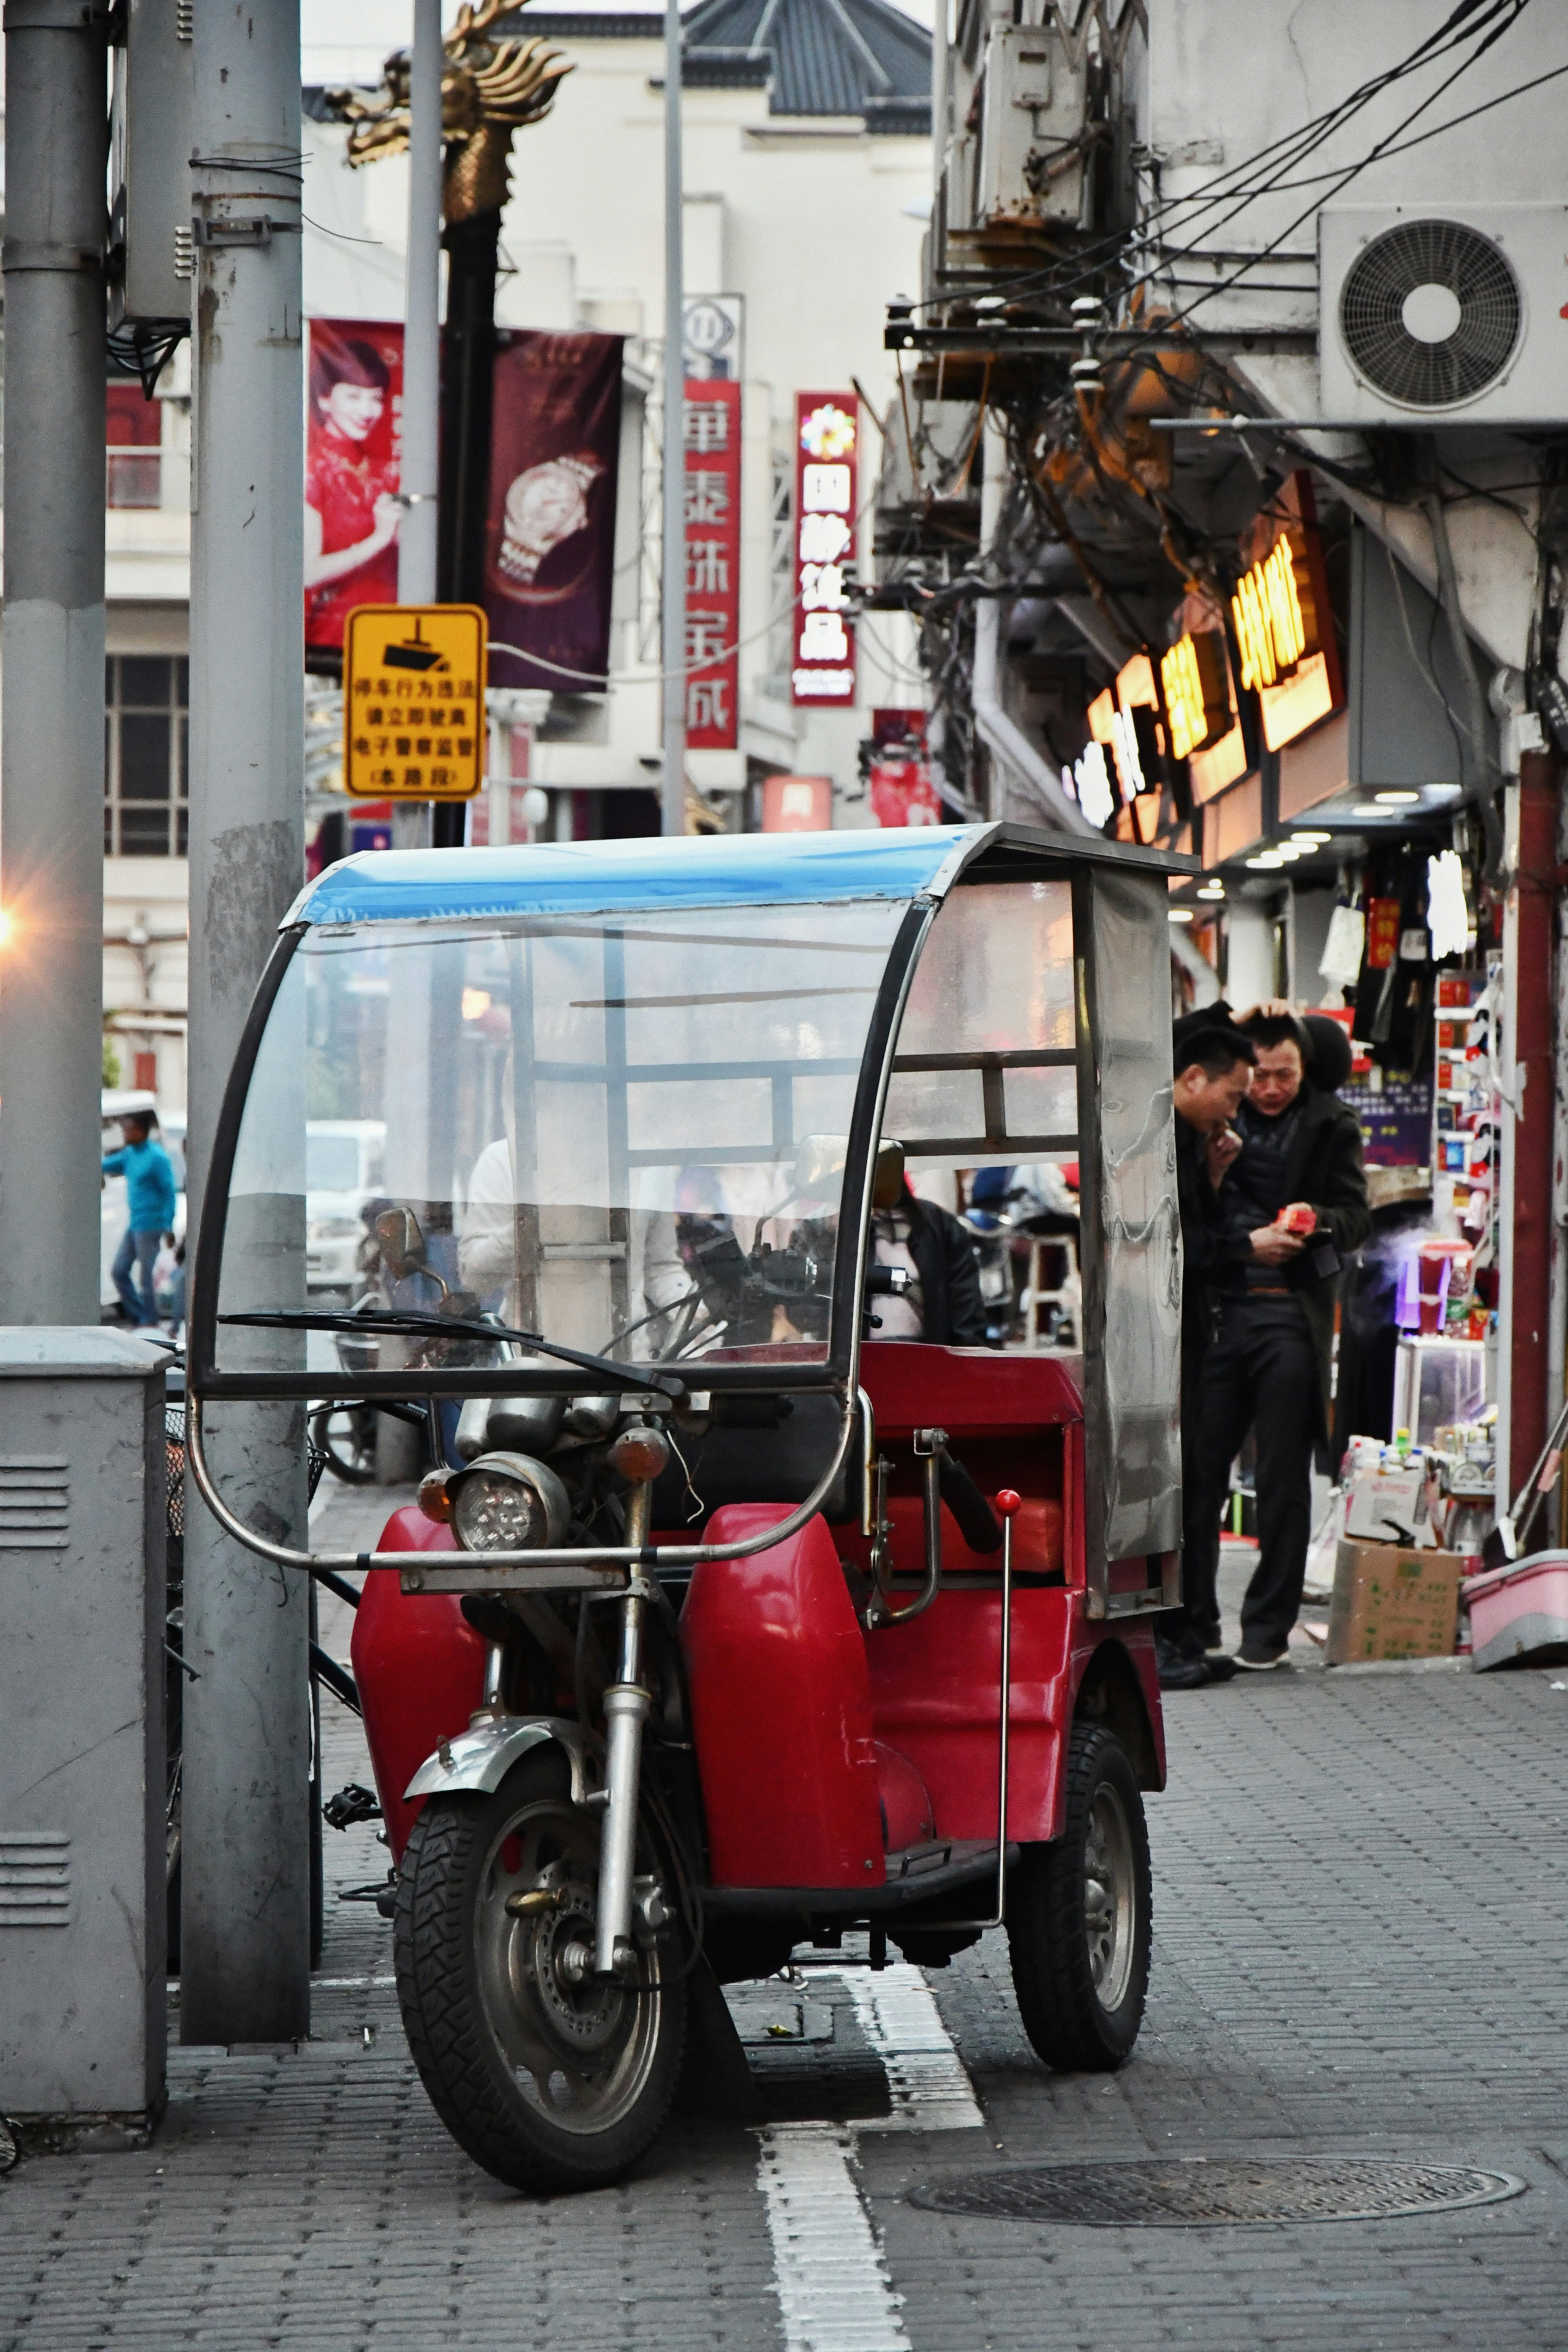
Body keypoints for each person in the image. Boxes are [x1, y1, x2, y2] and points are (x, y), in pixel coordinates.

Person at [1189, 1007, 1371, 1671]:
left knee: (1283, 1477)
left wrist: (1312, 1219)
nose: (1268, 1089)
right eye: (1258, 1076)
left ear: (1306, 1067)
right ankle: (1195, 1625)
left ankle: (1267, 1632)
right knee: (1200, 1474)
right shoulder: (1213, 1112)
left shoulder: (1331, 1123)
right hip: (1219, 1311)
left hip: (1290, 1315)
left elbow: (1356, 1218)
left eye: (1283, 1075)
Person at [1159, 1018, 1259, 1690]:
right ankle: (1170, 1633)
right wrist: (1251, 1246)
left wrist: (1217, 1177)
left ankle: (1190, 1629)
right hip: (1156, 1342)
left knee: (1198, 1484)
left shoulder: (1194, 1145)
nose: (1235, 1108)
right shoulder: (1156, 1142)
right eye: (1233, 1093)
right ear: (1193, 1078)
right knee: (1176, 1485)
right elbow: (1185, 1248)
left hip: (1190, 1335)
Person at [304, 338, 401, 646]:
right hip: (335, 639)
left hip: (395, 629)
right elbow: (307, 572)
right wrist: (380, 540)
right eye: (354, 397)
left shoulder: (386, 471)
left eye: (376, 399)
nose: (368, 411)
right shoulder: (312, 472)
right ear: (324, 400)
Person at [868, 1142, 988, 1345]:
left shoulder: (940, 1228)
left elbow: (968, 1326)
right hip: (856, 1371)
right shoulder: (833, 1228)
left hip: (928, 1367)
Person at [103, 1111, 177, 1330]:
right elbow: (105, 1164)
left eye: (129, 1129)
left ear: (141, 1130)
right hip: (135, 1223)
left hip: (151, 1224)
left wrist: (169, 1224)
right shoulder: (129, 1155)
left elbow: (168, 1192)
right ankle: (138, 1315)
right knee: (119, 1270)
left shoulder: (156, 1157)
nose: (125, 1133)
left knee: (146, 1277)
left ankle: (150, 1321)